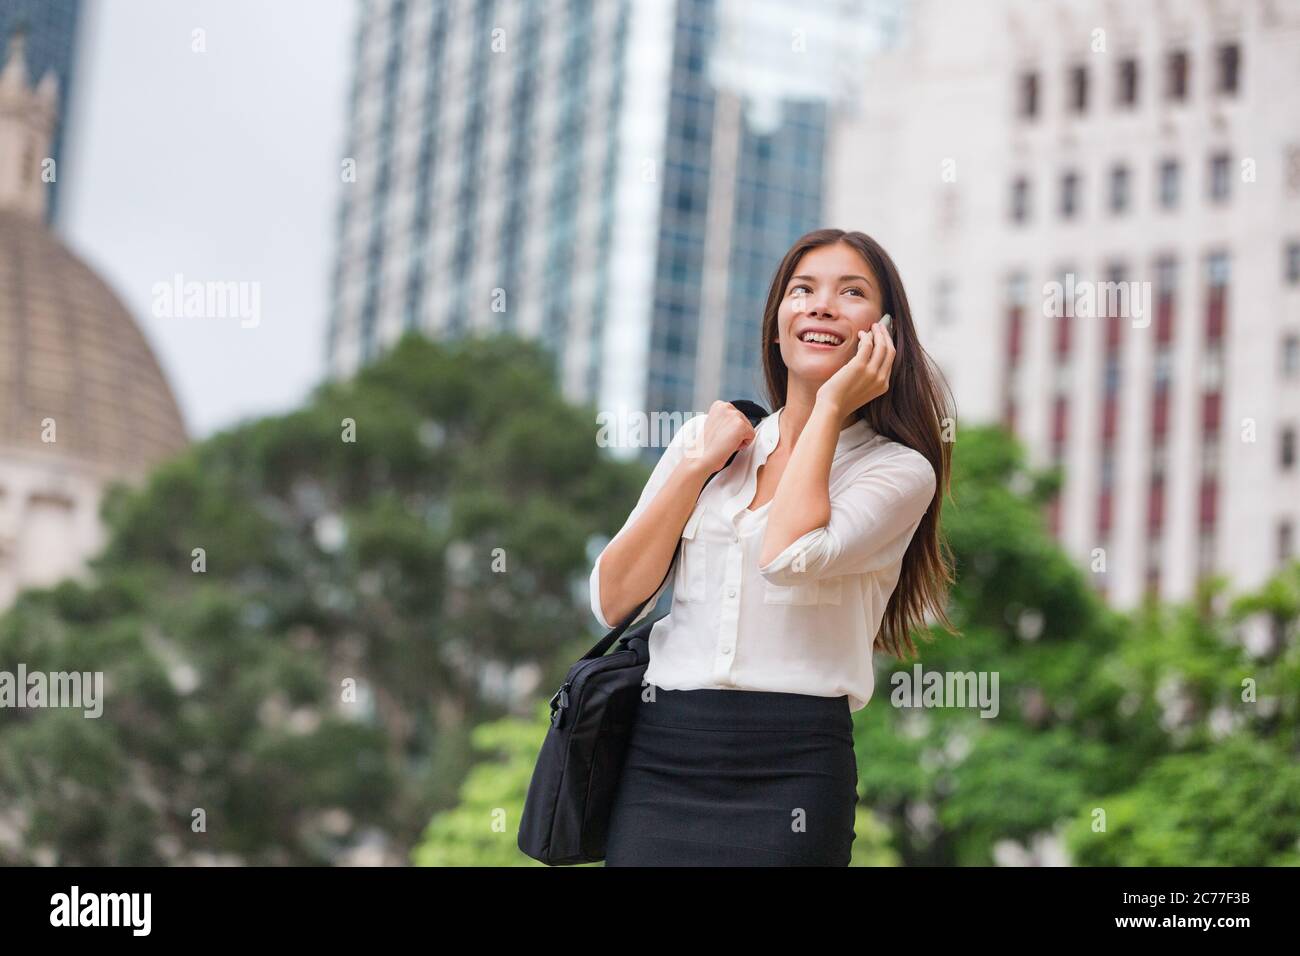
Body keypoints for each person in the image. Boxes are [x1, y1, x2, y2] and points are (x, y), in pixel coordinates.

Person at [593, 227, 959, 866]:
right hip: (662, 754)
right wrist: (693, 465)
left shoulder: (900, 471)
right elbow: (615, 599)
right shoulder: (709, 443)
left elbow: (789, 556)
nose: (821, 305)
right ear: (776, 324)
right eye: (803, 290)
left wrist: (830, 407)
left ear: (885, 335)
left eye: (851, 293)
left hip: (792, 764)